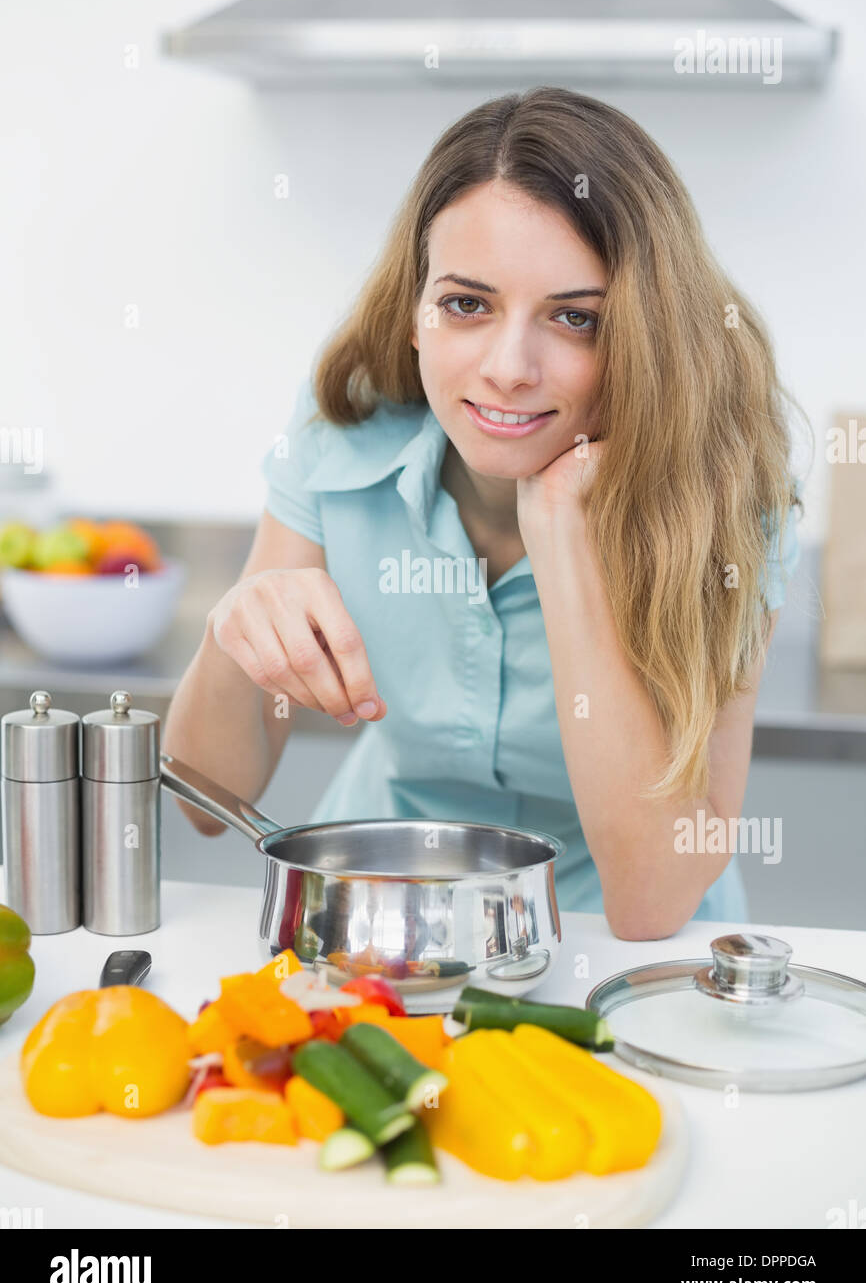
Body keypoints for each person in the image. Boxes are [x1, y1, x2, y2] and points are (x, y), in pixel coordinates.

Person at [164, 86, 807, 940]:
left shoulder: (723, 500)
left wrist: (567, 537)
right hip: (380, 928)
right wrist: (233, 627)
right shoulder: (344, 437)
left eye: (575, 319)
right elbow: (209, 800)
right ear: (417, 315)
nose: (509, 367)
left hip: (609, 953)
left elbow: (653, 900)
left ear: (646, 338)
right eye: (468, 304)